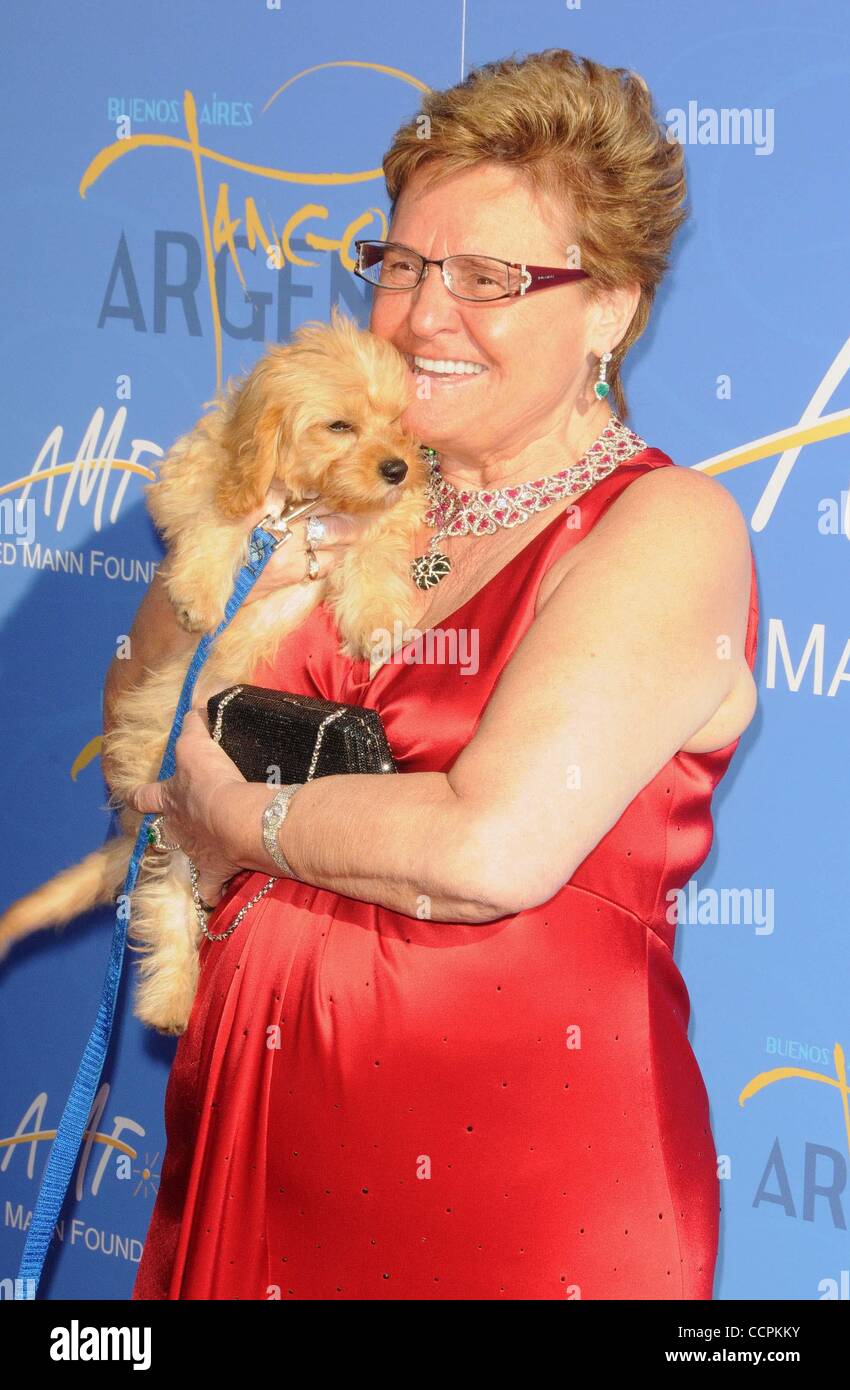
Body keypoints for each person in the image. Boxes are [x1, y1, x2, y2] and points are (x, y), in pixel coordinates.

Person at [112, 50, 759, 1300]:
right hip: (254, 1151)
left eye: (489, 277)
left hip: (516, 1203)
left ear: (612, 306)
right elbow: (140, 717)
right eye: (402, 265)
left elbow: (486, 850)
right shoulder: (340, 471)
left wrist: (230, 816)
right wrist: (239, 540)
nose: (423, 314)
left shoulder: (666, 527)